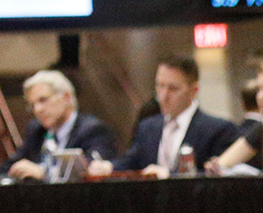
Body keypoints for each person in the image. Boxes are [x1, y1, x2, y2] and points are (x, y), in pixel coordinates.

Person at [90, 56, 238, 178]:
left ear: (194, 90)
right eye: (159, 86)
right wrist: (108, 166)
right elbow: (132, 160)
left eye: (173, 89)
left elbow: (217, 175)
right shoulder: (148, 126)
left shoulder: (217, 130)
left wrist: (169, 176)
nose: (163, 96)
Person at [0, 71, 116, 180]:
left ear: (66, 98)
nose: (37, 110)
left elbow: (89, 174)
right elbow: (11, 166)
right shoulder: (36, 130)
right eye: (32, 105)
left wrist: (44, 173)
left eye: (43, 100)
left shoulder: (92, 130)